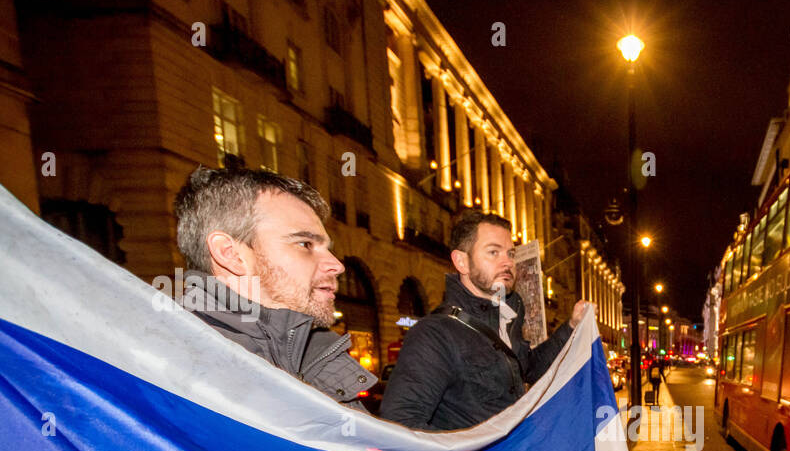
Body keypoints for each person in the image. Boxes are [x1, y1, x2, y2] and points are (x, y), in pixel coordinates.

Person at [173, 165, 376, 408]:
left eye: (327, 248)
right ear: (230, 254)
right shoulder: (177, 369)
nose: (337, 265)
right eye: (305, 244)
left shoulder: (316, 353)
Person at [380, 210, 587, 430]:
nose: (507, 262)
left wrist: (571, 326)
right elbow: (400, 423)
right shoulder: (435, 334)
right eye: (493, 252)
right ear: (462, 262)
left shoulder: (507, 321)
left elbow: (531, 369)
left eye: (510, 253)